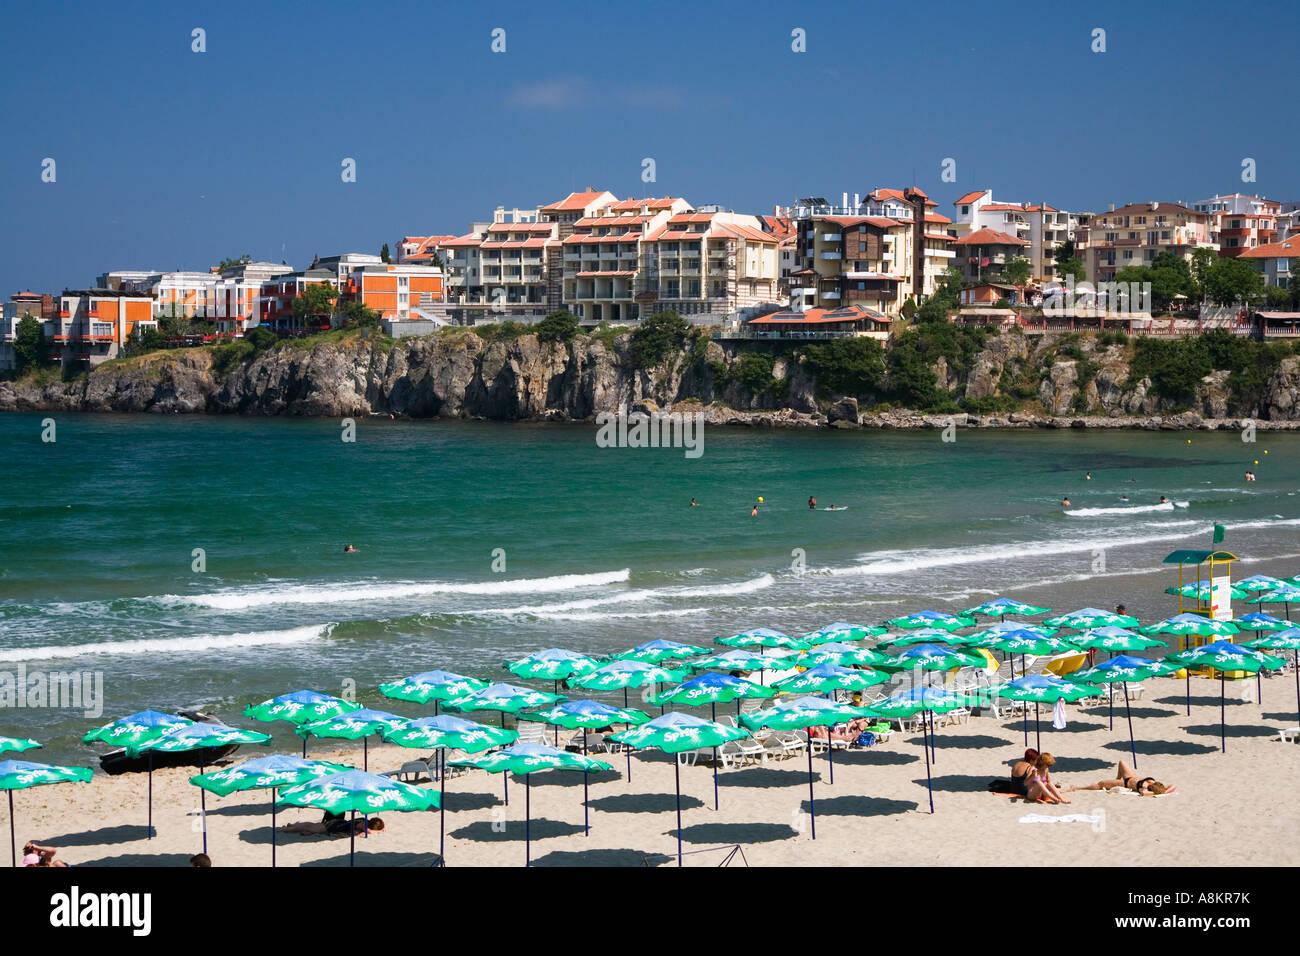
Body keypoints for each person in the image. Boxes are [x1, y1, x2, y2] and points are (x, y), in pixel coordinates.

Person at [1067, 760, 1173, 796]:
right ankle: (1117, 778)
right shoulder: (1151, 781)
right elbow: (1173, 786)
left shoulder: (1144, 788)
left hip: (1125, 783)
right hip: (1130, 776)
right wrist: (1164, 790)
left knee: (1101, 784)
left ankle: (1079, 788)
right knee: (1122, 762)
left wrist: (1156, 793)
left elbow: (1144, 794)